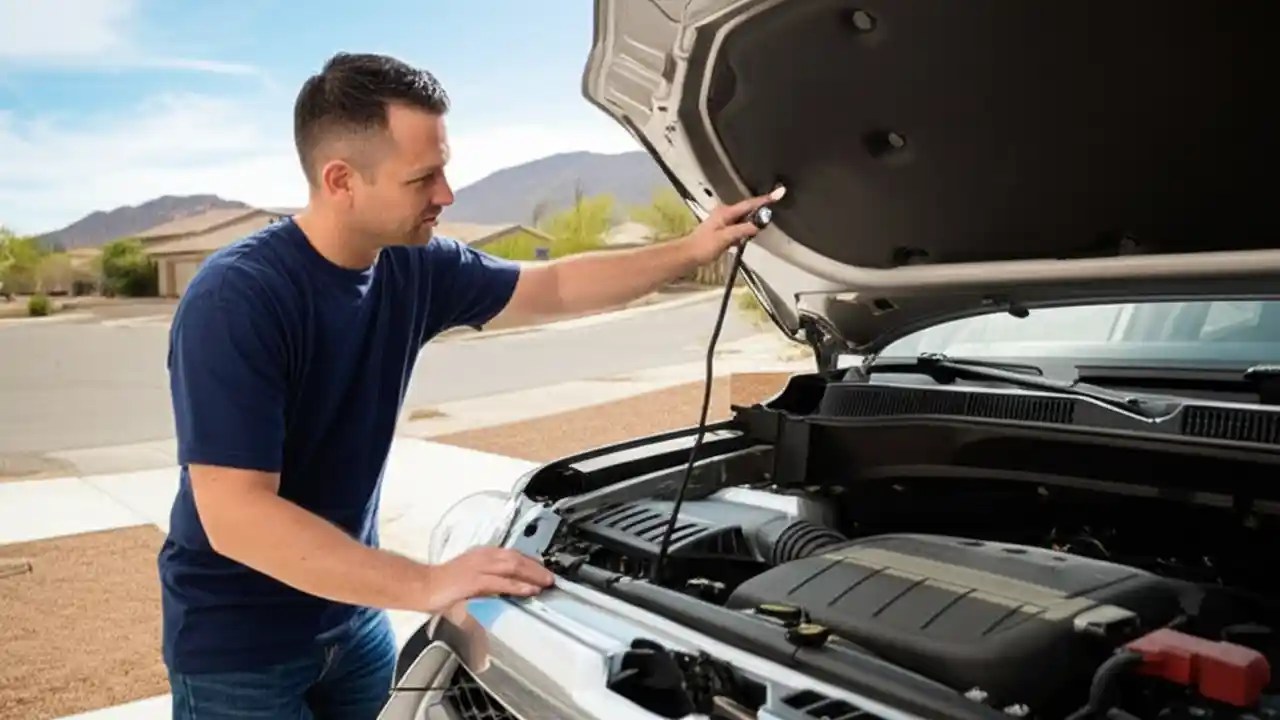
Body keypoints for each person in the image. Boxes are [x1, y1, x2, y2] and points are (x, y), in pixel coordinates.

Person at [159, 51, 778, 719]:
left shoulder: (413, 265)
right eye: (423, 177)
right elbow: (237, 518)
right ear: (341, 180)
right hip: (240, 650)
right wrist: (426, 582)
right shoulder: (238, 299)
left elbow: (554, 285)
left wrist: (690, 249)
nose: (446, 195)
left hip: (353, 618)